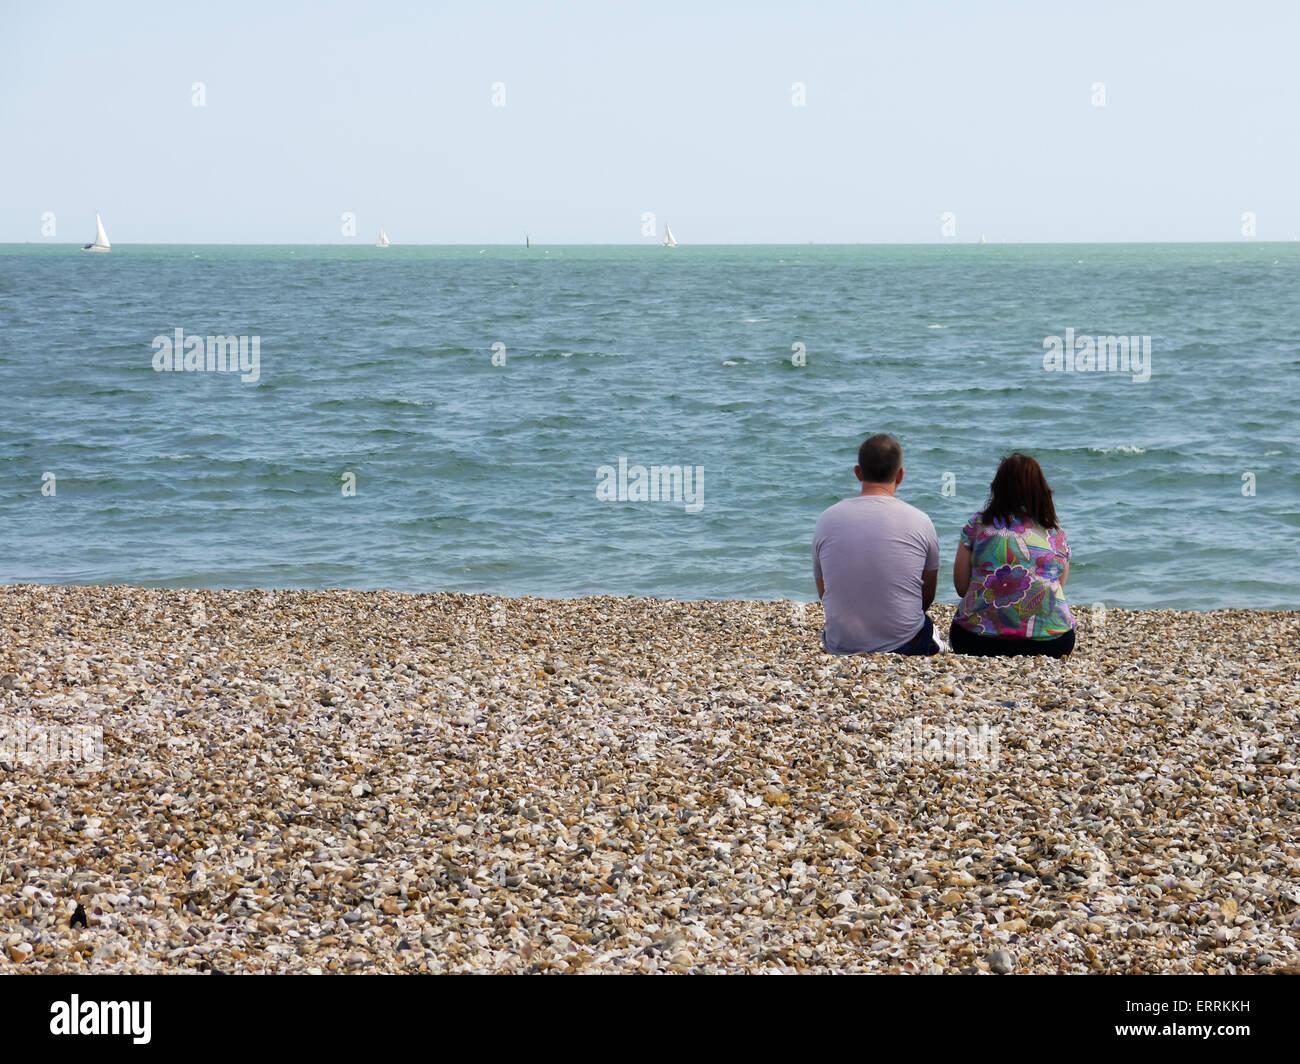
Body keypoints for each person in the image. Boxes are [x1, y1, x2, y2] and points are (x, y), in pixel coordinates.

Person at [812, 434, 942, 655]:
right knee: (927, 629)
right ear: (900, 475)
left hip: (841, 643)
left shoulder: (826, 519)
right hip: (905, 643)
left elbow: (824, 591)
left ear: (858, 473)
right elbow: (926, 595)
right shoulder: (920, 520)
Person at [949, 453, 1076, 657]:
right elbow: (1056, 588)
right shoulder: (1054, 533)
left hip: (977, 640)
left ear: (997, 488)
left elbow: (962, 587)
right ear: (1042, 490)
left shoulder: (977, 526)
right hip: (1053, 643)